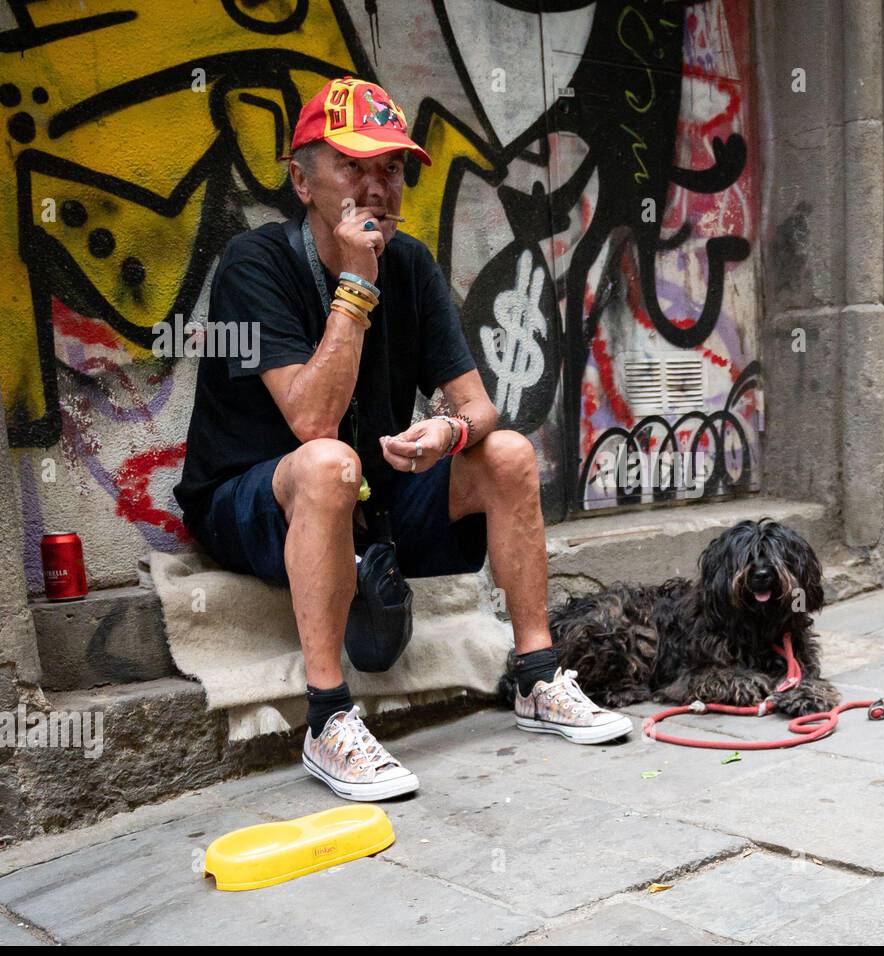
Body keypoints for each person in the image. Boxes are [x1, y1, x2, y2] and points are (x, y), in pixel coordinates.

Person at [174, 76, 631, 802]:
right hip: (254, 502)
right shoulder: (255, 265)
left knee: (507, 453)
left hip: (371, 494)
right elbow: (312, 424)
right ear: (302, 179)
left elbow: (480, 407)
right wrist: (356, 285)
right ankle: (328, 721)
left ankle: (538, 677)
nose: (377, 186)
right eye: (353, 165)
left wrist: (445, 433)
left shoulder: (411, 264)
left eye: (390, 167)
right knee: (327, 461)